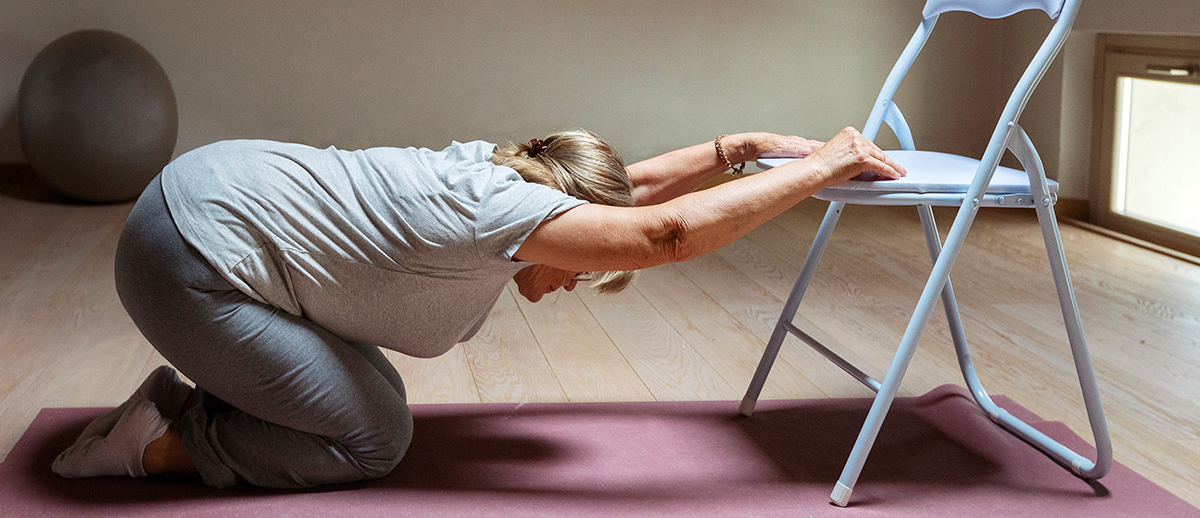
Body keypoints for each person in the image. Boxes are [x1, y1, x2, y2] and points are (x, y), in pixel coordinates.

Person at [51, 126, 904, 488]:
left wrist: (740, 149)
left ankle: (194, 400)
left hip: (204, 198)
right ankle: (150, 449)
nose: (569, 281)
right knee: (374, 438)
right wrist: (822, 167)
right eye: (576, 265)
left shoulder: (513, 174)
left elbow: (635, 191)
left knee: (372, 392)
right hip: (184, 259)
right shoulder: (500, 215)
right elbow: (665, 233)